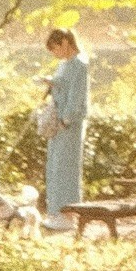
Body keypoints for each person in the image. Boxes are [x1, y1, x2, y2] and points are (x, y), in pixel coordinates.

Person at [39, 25, 90, 224]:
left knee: (66, 167)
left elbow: (77, 96)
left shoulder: (79, 64)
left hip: (69, 122)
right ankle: (55, 211)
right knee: (54, 165)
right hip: (57, 121)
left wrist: (66, 119)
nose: (55, 54)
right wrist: (51, 82)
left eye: (56, 48)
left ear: (66, 43)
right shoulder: (64, 63)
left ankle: (68, 214)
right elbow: (64, 84)